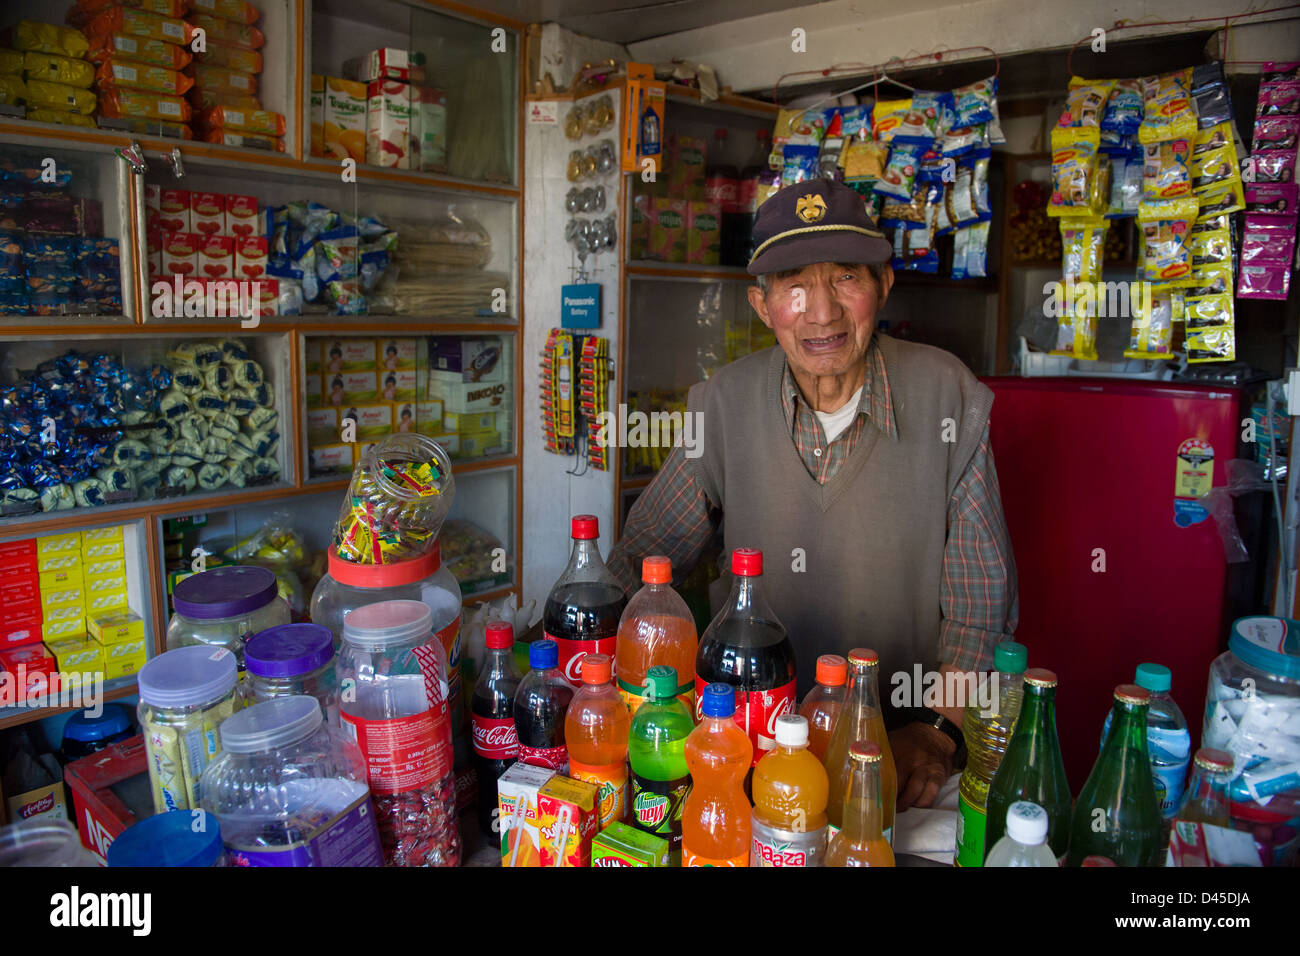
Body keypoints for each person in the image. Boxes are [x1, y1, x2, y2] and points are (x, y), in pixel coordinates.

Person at [609, 178, 1019, 812]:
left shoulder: (949, 398)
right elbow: (644, 564)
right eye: (795, 284)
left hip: (896, 754)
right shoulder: (723, 404)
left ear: (883, 285)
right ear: (762, 304)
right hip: (749, 744)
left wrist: (937, 732)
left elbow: (979, 607)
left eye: (847, 278)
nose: (822, 311)